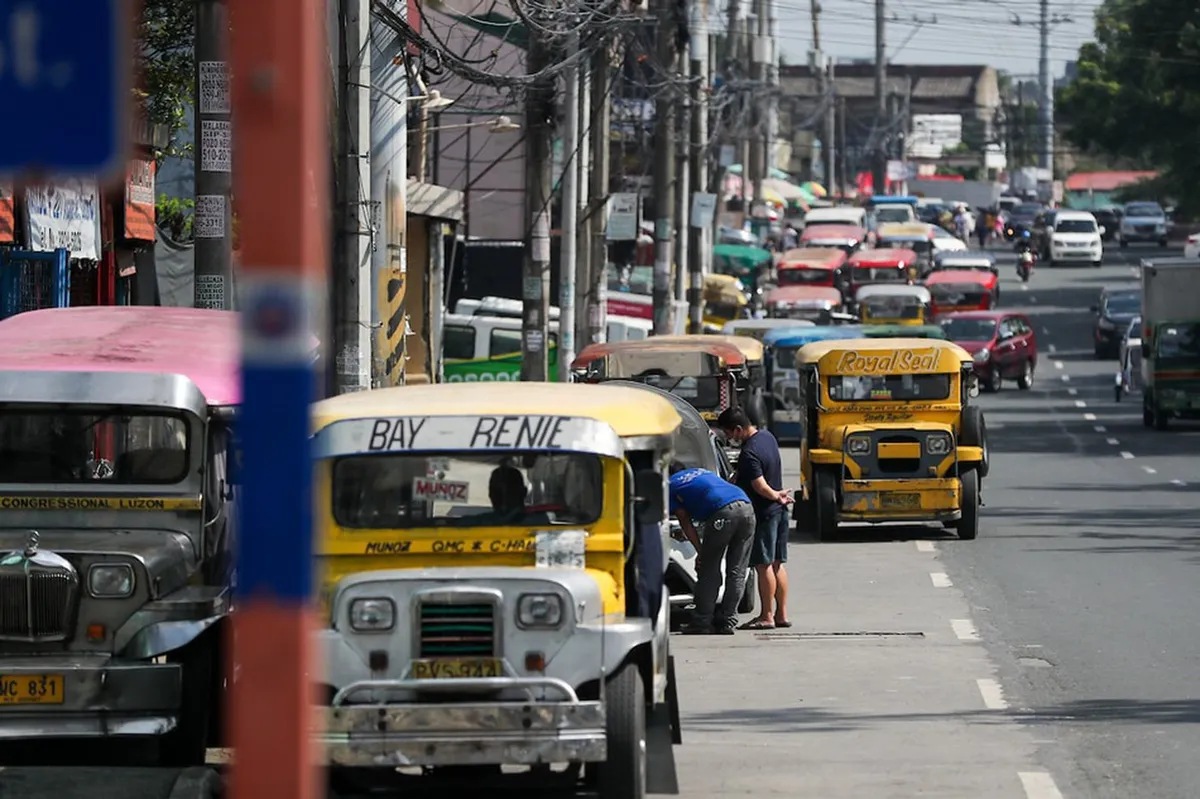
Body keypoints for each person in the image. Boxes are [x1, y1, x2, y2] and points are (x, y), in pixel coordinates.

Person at [717, 407, 792, 630]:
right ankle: (781, 614)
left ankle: (766, 616)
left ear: (739, 429)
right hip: (780, 512)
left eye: (730, 433)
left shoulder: (749, 452)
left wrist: (775, 496)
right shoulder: (767, 438)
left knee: (763, 565)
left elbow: (760, 486)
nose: (730, 438)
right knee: (778, 564)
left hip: (765, 512)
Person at [668, 462, 756, 635]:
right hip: (746, 507)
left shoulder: (670, 484)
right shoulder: (701, 471)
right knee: (737, 570)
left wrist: (700, 551)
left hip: (722, 512)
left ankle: (701, 622)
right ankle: (727, 621)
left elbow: (684, 521)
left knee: (709, 569)